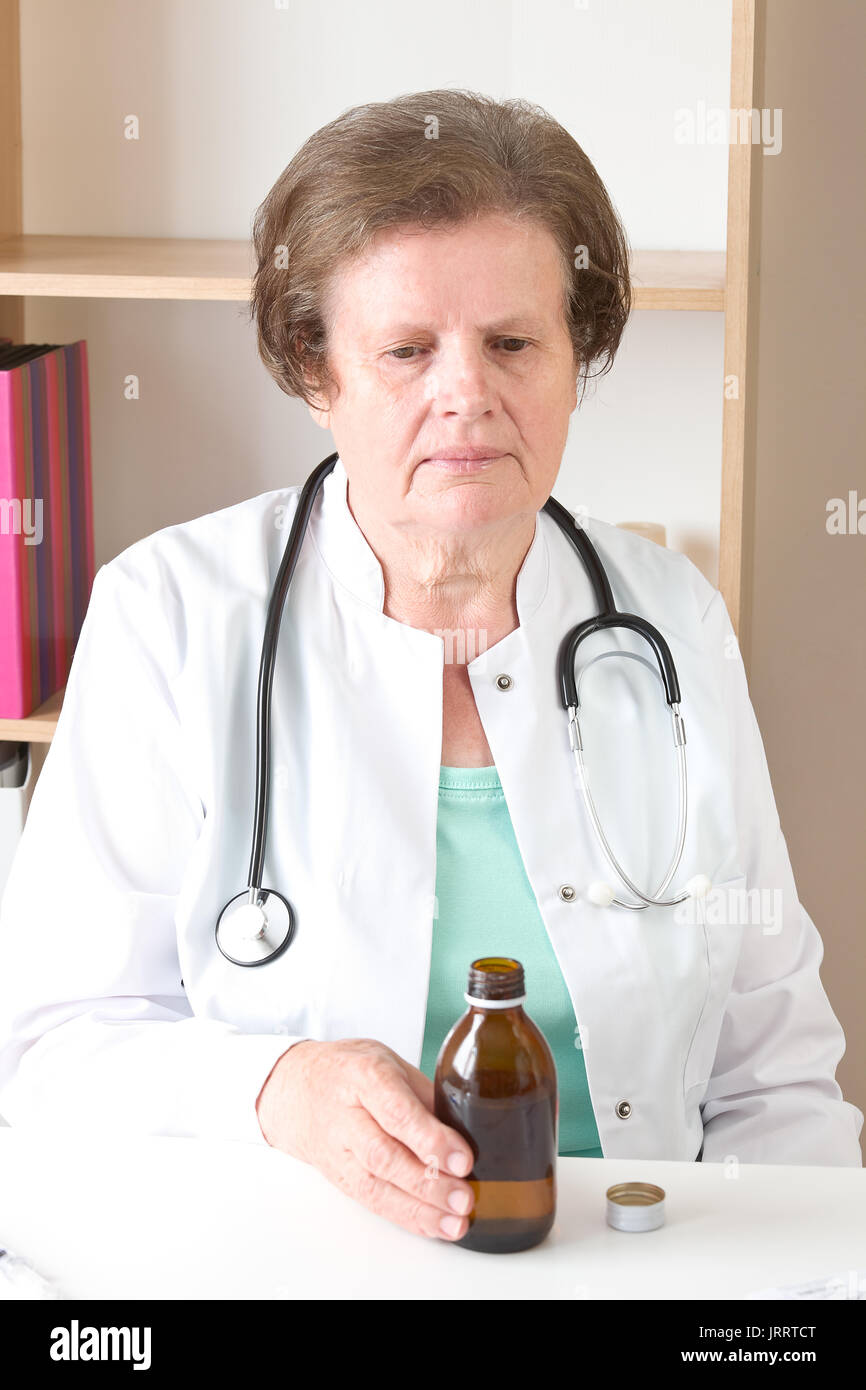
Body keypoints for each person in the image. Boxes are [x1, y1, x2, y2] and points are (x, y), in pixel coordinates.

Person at [0, 90, 861, 1247]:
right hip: (290, 1260)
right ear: (317, 372)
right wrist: (275, 1088)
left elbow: (774, 1068)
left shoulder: (669, 621)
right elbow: (49, 1048)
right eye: (406, 350)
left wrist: (795, 1300)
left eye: (513, 343)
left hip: (634, 1261)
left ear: (573, 355)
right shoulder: (169, 616)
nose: (467, 394)